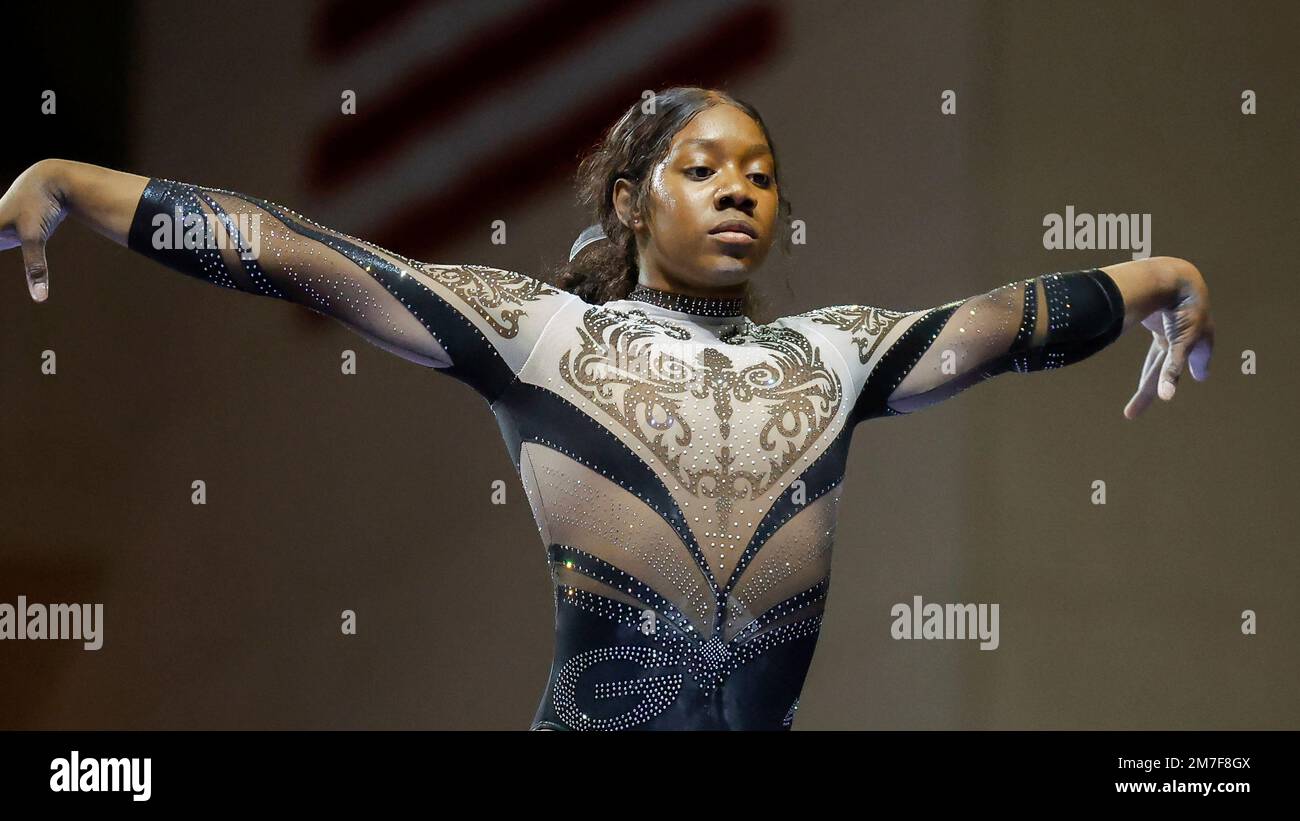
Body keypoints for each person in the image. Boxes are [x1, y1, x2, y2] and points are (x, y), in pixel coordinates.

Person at [0, 87, 1214, 730]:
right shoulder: (540, 332)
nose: (741, 186)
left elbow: (1010, 321)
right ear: (632, 201)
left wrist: (1160, 280)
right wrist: (74, 180)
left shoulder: (835, 352)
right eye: (705, 166)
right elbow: (296, 253)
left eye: (761, 171)